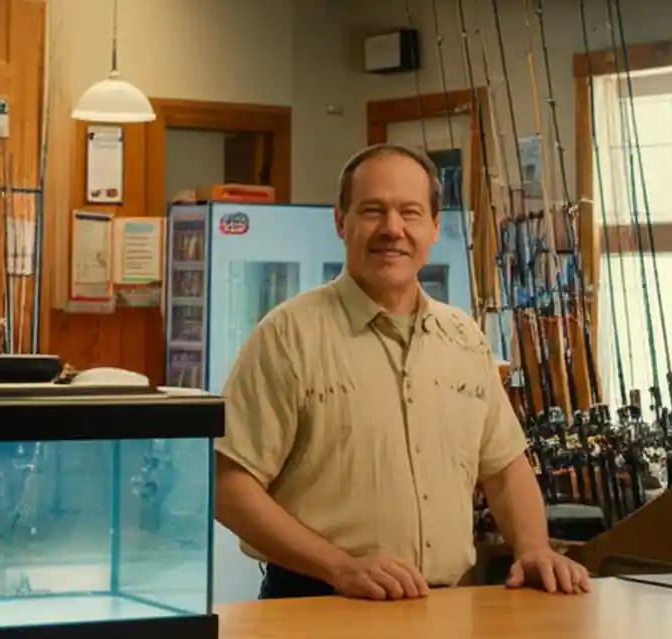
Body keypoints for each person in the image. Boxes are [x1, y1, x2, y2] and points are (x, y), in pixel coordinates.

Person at [214, 143, 591, 601]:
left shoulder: (464, 339)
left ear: (434, 227)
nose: (392, 229)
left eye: (410, 213)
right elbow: (228, 487)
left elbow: (504, 465)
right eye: (373, 210)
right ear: (341, 221)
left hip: (446, 610)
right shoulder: (288, 337)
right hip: (317, 603)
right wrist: (341, 568)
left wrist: (533, 548)